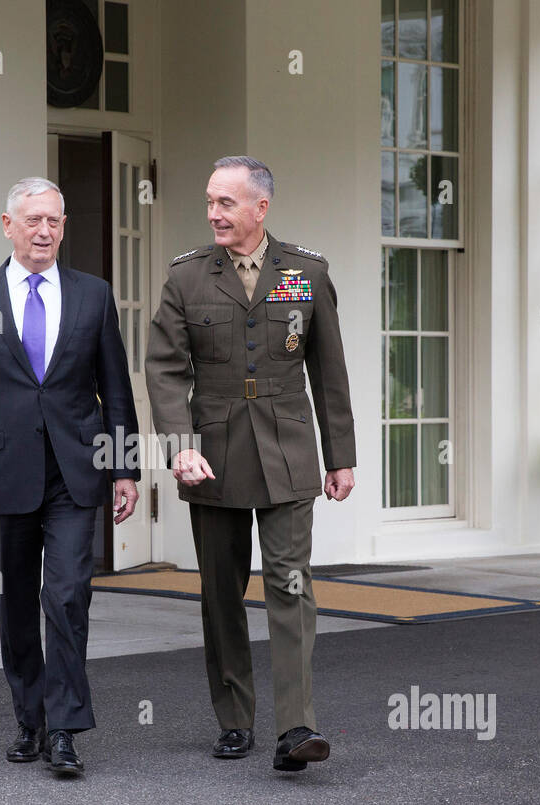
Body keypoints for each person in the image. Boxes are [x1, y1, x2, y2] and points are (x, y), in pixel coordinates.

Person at [146, 156, 356, 772]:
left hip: (289, 451)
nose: (213, 213)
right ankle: (235, 719)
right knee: (220, 592)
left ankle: (296, 727)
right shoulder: (186, 277)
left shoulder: (306, 271)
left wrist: (340, 456)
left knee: (291, 585)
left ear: (260, 208)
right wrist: (179, 445)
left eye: (226, 203)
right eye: (210, 202)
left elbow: (329, 370)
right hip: (213, 453)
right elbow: (164, 368)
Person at [0, 177, 139, 777]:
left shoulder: (93, 295)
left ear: (63, 226)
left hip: (76, 472)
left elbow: (115, 390)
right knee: (16, 599)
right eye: (33, 221)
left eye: (53, 221)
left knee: (67, 594)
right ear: (7, 225)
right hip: (5, 473)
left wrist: (124, 470)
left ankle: (67, 729)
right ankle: (31, 720)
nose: (44, 231)